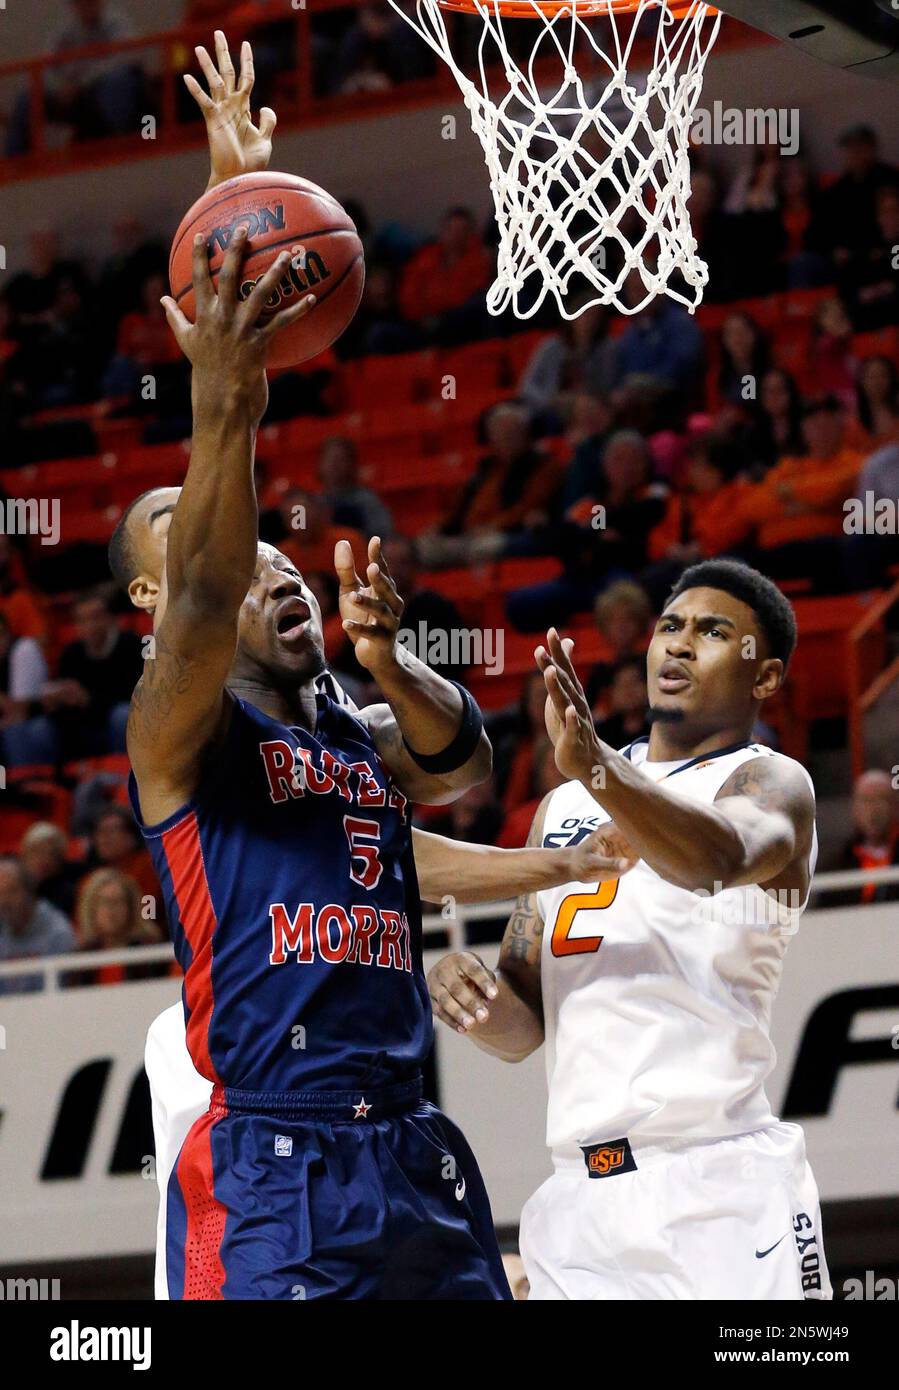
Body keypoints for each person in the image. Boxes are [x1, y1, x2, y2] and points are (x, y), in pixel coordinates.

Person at [429, 558, 832, 1300]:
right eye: (669, 626)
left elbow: (717, 859)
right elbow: (523, 1030)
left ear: (764, 677)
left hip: (720, 1186)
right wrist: (475, 1000)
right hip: (579, 1197)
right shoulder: (561, 810)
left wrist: (596, 766)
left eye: (712, 633)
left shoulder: (769, 781)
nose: (677, 645)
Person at [0, 856, 77, 995]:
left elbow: (62, 988)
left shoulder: (58, 933)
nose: (4, 901)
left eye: (11, 891)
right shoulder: (2, 927)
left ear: (29, 893)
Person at [824, 769, 899, 908]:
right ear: (854, 809)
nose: (873, 809)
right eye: (866, 800)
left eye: (881, 799)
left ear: (895, 806)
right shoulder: (837, 865)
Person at [18, 821, 80, 918]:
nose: (44, 859)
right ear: (24, 854)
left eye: (52, 854)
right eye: (37, 851)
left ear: (60, 862)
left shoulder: (67, 894)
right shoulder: (8, 883)